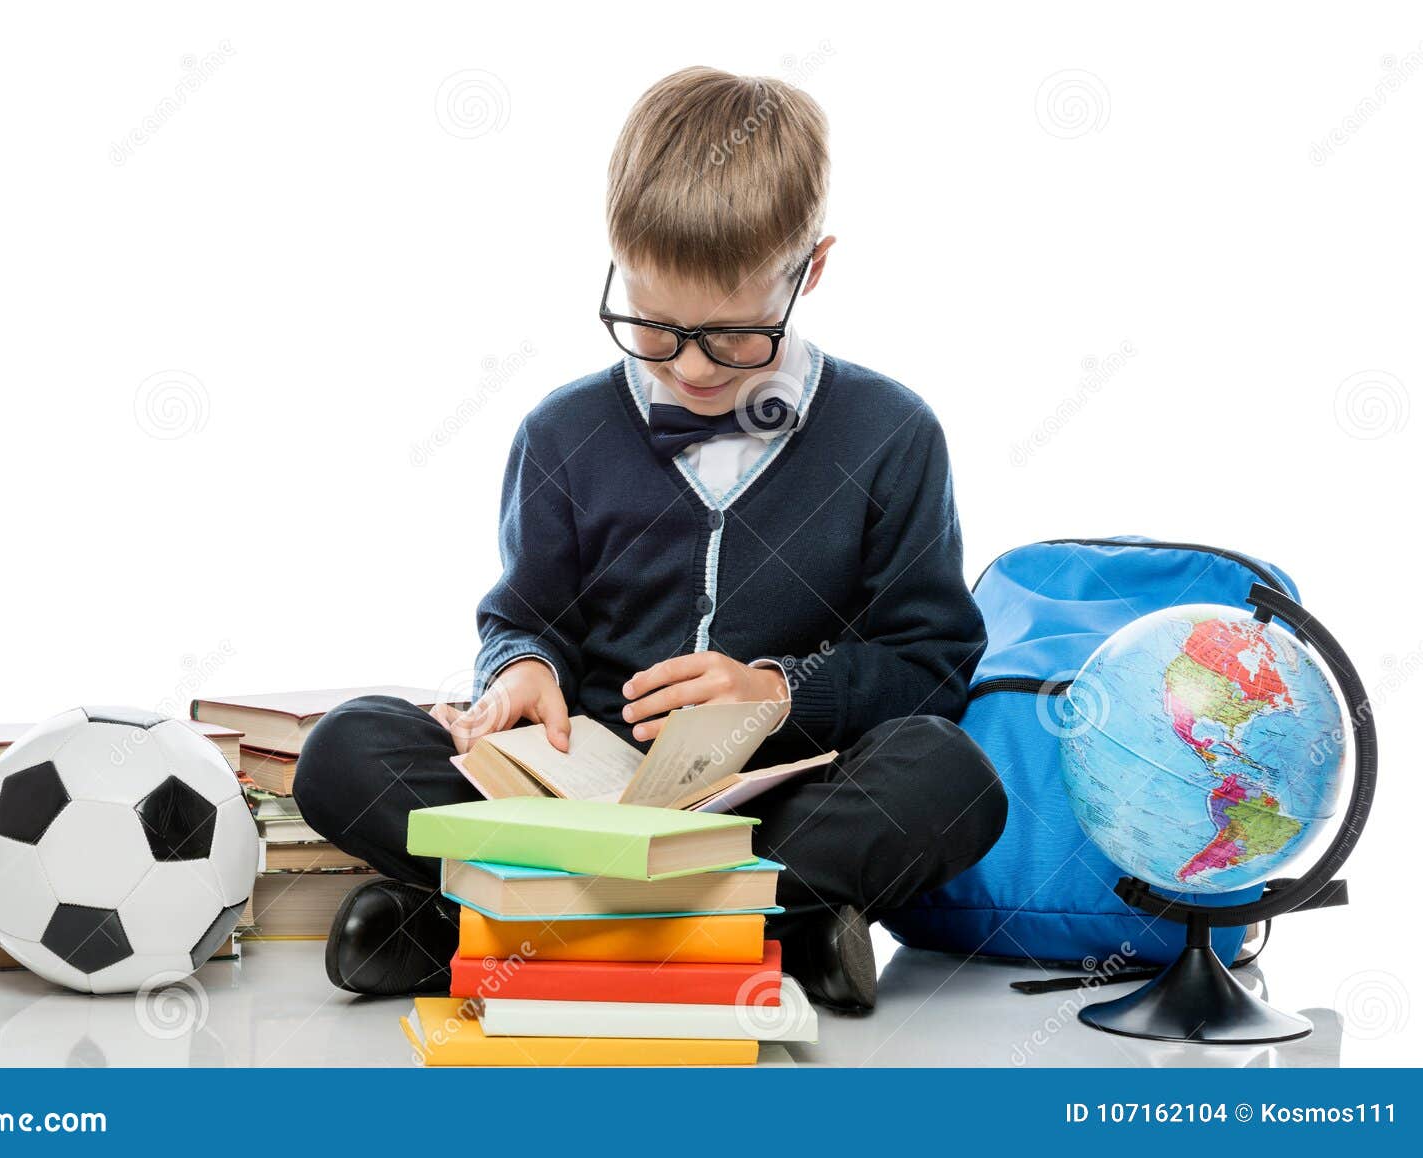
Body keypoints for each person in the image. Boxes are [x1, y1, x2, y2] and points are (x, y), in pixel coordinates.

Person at [294, 66, 1006, 1011]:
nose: (691, 367)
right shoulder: (562, 433)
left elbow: (932, 662)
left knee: (950, 775)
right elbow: (522, 620)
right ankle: (759, 941)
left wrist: (778, 693)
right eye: (653, 327)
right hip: (572, 807)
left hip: (768, 808)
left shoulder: (891, 434)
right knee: (346, 749)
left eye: (733, 336)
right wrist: (520, 671)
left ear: (813, 272)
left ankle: (502, 936)